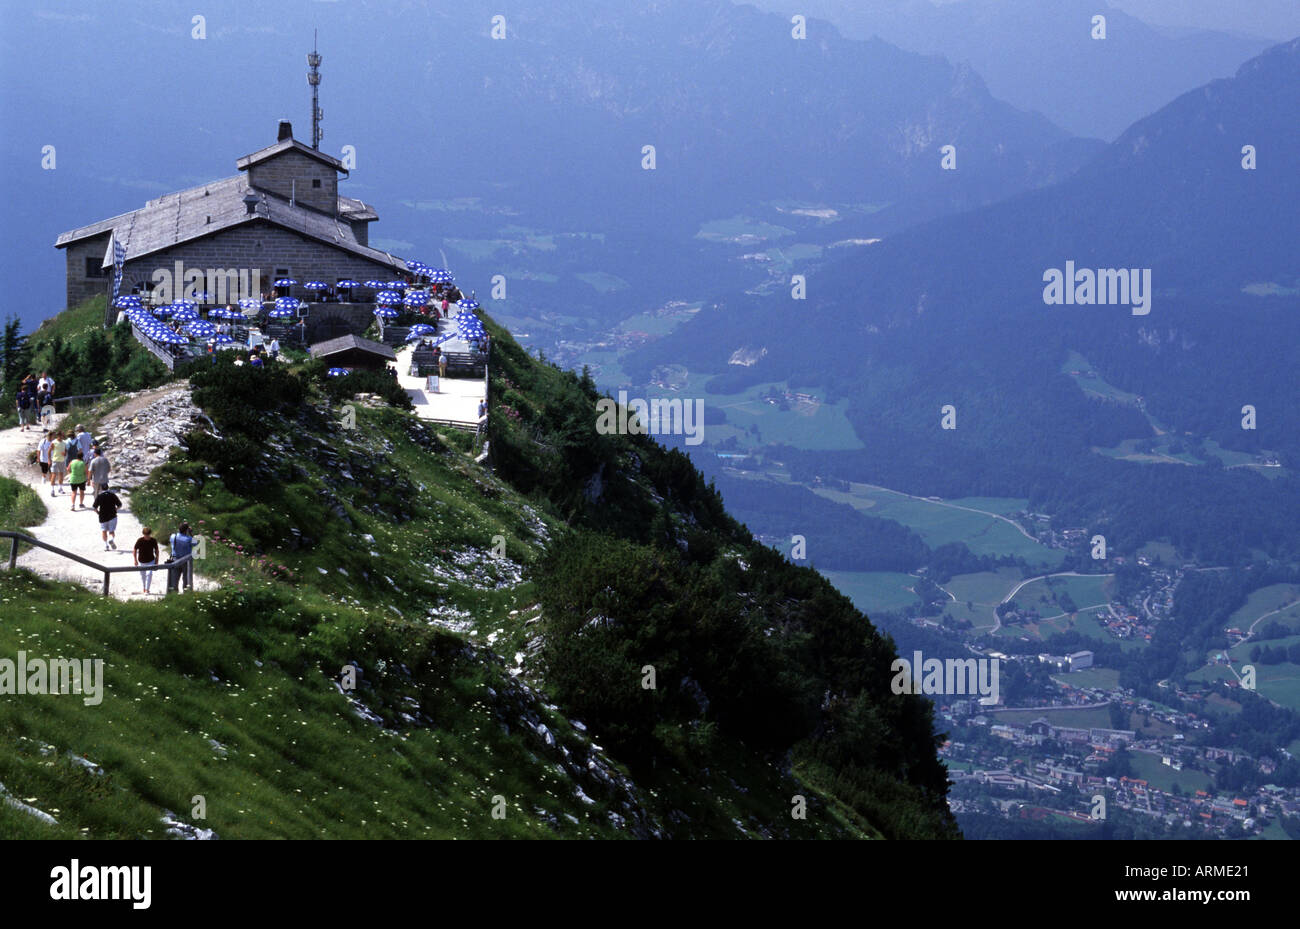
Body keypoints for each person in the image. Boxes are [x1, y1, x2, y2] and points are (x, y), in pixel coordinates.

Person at [92, 483, 123, 550]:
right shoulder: (112, 495)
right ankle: (111, 539)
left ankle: (106, 546)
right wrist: (115, 509)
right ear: (108, 488)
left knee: (104, 531)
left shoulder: (99, 496)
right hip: (112, 516)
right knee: (111, 531)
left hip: (102, 516)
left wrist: (98, 513)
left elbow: (94, 508)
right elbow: (120, 505)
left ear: (101, 488)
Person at [133, 527, 160, 596]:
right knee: (143, 576)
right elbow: (135, 549)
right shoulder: (140, 540)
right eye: (145, 535)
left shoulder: (153, 540)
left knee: (149, 574)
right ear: (143, 534)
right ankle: (144, 588)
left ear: (150, 534)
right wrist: (135, 560)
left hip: (151, 560)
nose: (147, 536)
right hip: (141, 561)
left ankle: (147, 589)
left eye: (148, 534)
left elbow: (156, 550)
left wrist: (157, 560)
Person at [168, 523, 194, 593]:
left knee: (175, 578)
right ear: (186, 530)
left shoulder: (173, 536)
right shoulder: (189, 539)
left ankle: (174, 592)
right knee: (185, 578)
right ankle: (185, 592)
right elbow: (196, 543)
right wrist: (191, 533)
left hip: (175, 559)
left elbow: (170, 540)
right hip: (185, 561)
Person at [48, 430, 66, 496]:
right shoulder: (54, 442)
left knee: (61, 475)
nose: (63, 436)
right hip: (55, 460)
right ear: (59, 435)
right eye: (62, 435)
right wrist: (49, 460)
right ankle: (52, 490)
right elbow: (49, 451)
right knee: (54, 475)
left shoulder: (64, 442)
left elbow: (66, 452)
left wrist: (64, 454)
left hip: (62, 460)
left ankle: (60, 488)